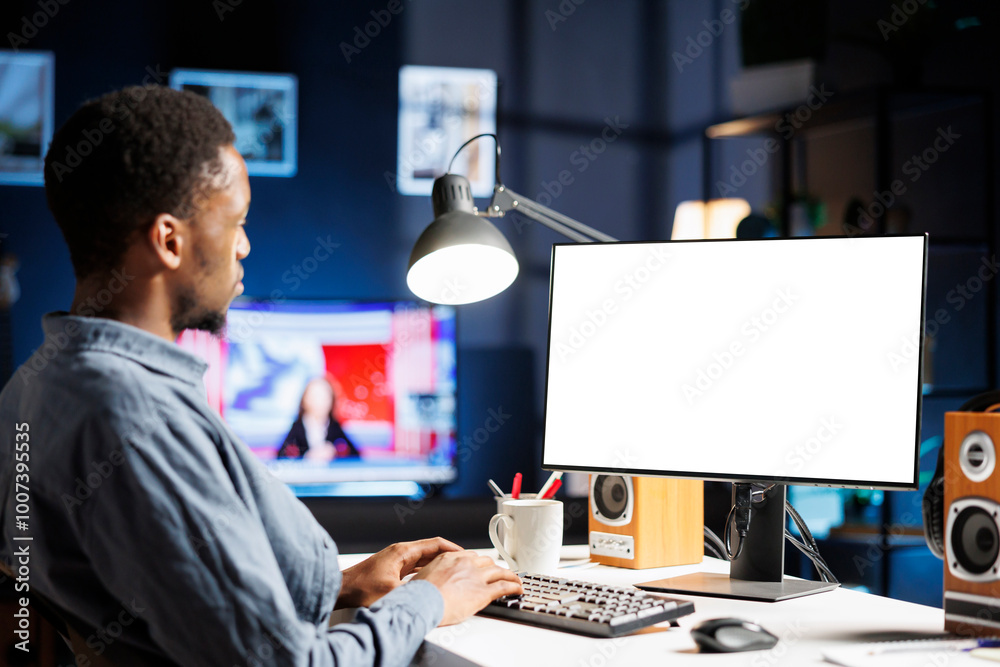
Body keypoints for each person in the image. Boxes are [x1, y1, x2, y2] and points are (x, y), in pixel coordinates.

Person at [0, 85, 520, 667]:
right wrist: (429, 598)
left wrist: (343, 584)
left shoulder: (32, 389)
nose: (245, 246)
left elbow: (180, 598)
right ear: (169, 240)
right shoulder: (140, 419)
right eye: (236, 222)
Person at [277, 376, 360, 461]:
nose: (320, 401)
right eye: (315, 396)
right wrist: (306, 457)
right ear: (304, 400)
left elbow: (355, 456)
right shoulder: (297, 427)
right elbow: (282, 457)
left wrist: (335, 452)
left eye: (325, 396)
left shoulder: (335, 427)